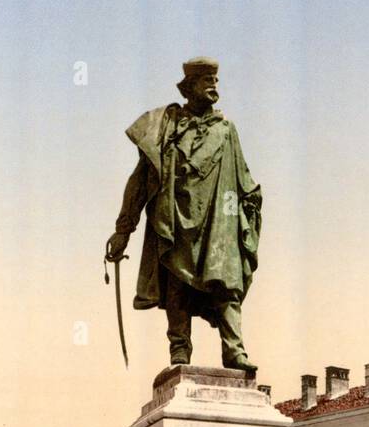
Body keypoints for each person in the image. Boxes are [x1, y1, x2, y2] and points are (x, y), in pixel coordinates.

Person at [107, 57, 262, 371]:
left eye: (216, 81)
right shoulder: (166, 126)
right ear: (190, 86)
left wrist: (246, 216)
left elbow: (243, 178)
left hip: (218, 222)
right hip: (175, 219)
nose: (213, 86)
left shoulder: (226, 130)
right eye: (207, 81)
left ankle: (234, 350)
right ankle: (179, 350)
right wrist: (124, 228)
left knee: (226, 284)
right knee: (177, 286)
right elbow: (141, 178)